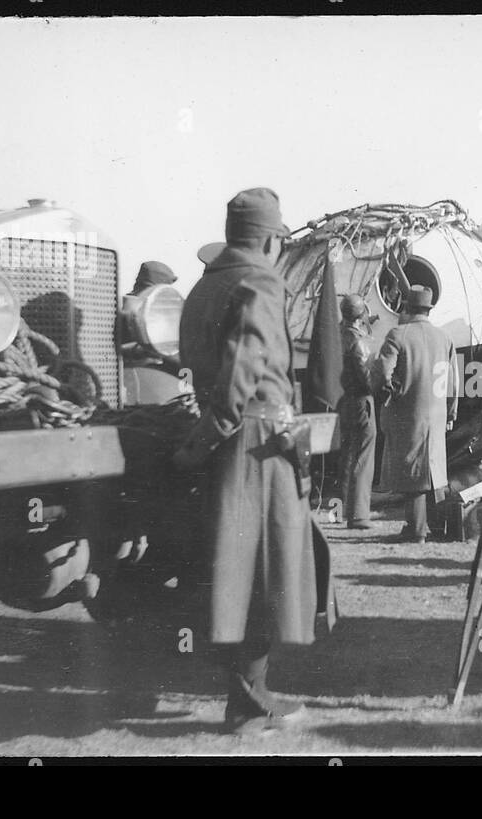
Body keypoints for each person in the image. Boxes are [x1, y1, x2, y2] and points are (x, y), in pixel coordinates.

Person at [172, 187, 319, 734]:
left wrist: (200, 442)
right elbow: (245, 370)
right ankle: (249, 704)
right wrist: (217, 432)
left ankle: (250, 697)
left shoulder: (206, 283)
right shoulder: (260, 281)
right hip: (257, 442)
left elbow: (198, 366)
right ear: (268, 237)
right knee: (262, 574)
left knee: (235, 572)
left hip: (229, 441)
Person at [375, 286, 458, 544]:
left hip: (408, 413)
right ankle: (438, 527)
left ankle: (416, 529)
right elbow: (452, 382)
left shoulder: (398, 335)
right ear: (429, 309)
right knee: (434, 471)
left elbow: (381, 375)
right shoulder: (444, 338)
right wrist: (451, 412)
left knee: (412, 470)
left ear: (406, 307)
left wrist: (392, 392)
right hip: (437, 413)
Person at [338, 293, 378, 530]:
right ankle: (360, 515)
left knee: (347, 456)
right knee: (364, 457)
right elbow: (367, 378)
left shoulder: (338, 336)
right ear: (361, 315)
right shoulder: (358, 341)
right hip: (362, 402)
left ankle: (342, 510)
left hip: (344, 402)